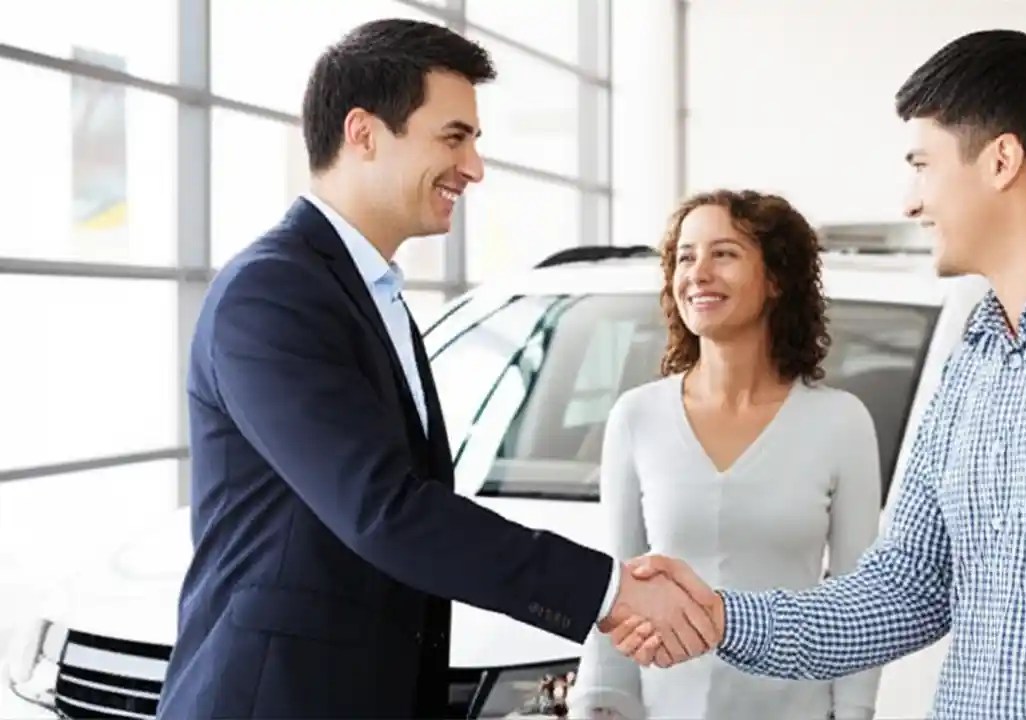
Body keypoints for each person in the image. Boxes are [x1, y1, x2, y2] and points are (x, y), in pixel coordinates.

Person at [609, 28, 1026, 718]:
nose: (909, 201)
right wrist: (720, 617)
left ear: (1001, 160)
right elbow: (904, 588)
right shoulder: (974, 363)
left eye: (922, 165)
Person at [156, 19, 714, 720]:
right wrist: (610, 592)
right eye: (454, 137)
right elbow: (384, 509)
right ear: (363, 133)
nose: (474, 168)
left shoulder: (367, 291)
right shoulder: (272, 294)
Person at [566, 191, 883, 720]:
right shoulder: (636, 416)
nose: (699, 272)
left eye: (725, 254)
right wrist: (598, 706)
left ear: (777, 278)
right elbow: (615, 594)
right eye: (685, 256)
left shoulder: (841, 423)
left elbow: (861, 610)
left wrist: (853, 714)